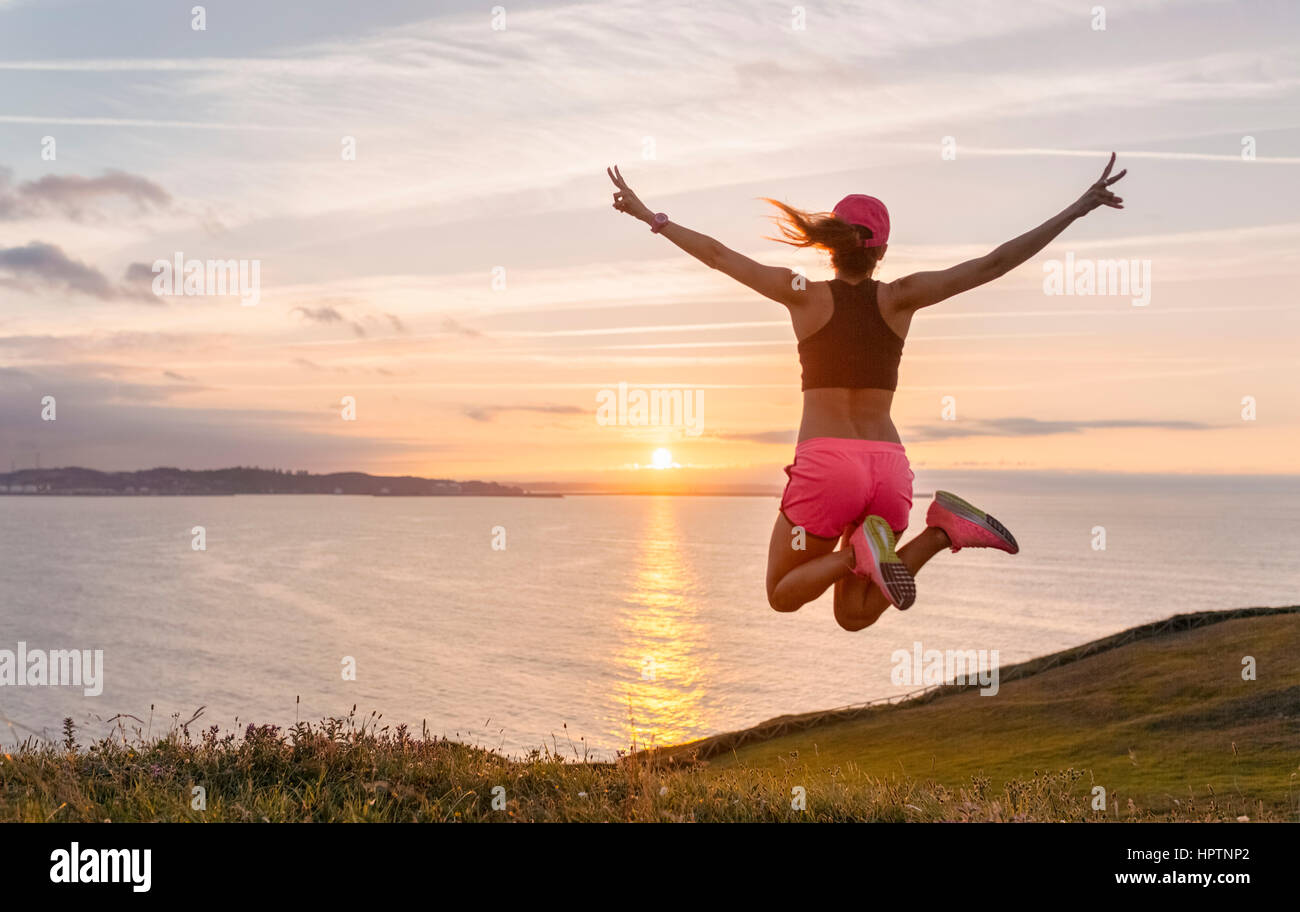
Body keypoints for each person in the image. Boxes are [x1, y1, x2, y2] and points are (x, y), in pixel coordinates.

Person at [606, 154, 1126, 630]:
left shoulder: (802, 296)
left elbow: (719, 255)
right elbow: (994, 264)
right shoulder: (902, 298)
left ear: (832, 244)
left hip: (828, 467)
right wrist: (1075, 210)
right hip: (889, 472)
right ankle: (942, 529)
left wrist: (651, 216)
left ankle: (855, 554)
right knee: (853, 615)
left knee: (782, 594)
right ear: (882, 251)